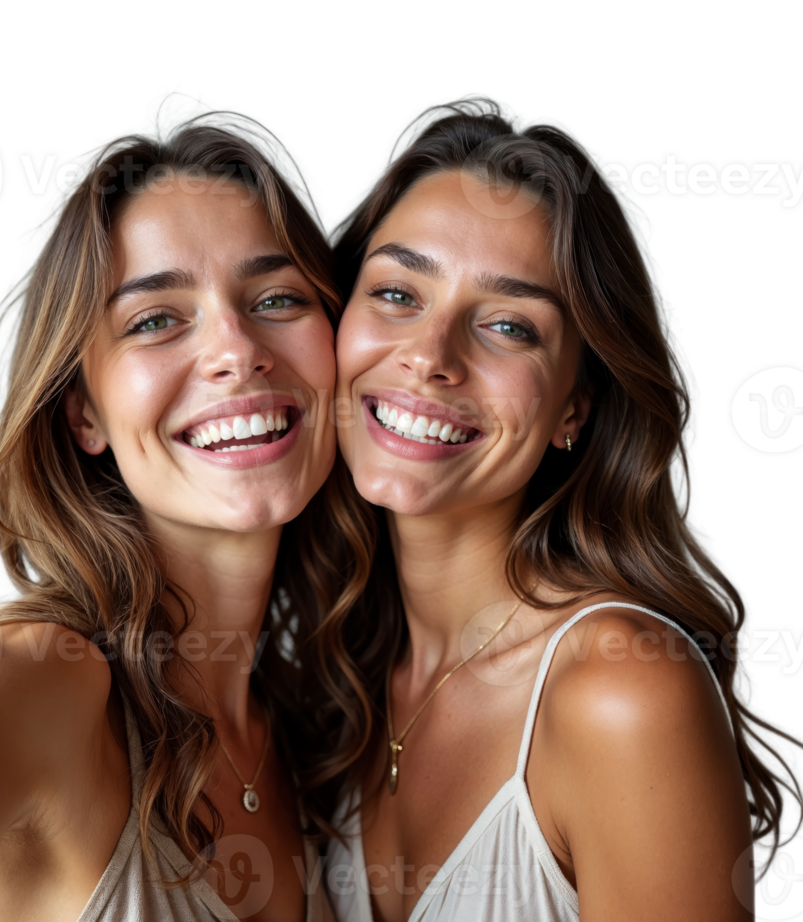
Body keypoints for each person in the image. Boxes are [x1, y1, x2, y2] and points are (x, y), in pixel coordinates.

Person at [0, 91, 372, 922]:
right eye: (156, 319)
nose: (235, 350)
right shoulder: (36, 685)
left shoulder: (303, 733)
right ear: (83, 413)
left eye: (277, 299)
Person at [316, 93, 803, 922]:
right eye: (399, 292)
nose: (431, 357)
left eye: (508, 325)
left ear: (574, 408)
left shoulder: (621, 688)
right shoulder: (334, 669)